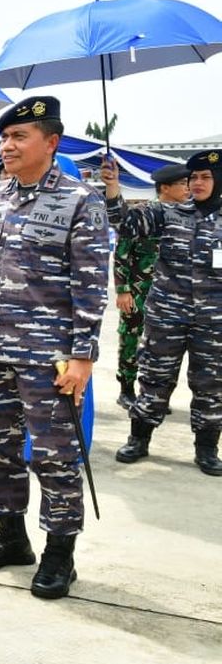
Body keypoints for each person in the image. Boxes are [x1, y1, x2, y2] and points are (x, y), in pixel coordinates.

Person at [0, 96, 110, 600]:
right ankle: (11, 538)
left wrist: (82, 356)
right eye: (5, 137)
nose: (7, 145)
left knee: (56, 457)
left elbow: (91, 286)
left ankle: (60, 554)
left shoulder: (80, 201)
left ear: (51, 142)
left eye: (19, 136)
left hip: (50, 359)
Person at [103, 150, 222, 476]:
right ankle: (138, 440)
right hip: (166, 317)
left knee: (211, 386)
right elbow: (124, 223)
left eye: (206, 177)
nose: (197, 183)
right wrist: (112, 188)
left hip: (213, 323)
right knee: (154, 379)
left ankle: (206, 449)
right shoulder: (166, 213)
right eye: (193, 178)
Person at [111, 164, 191, 409]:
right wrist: (123, 290)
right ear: (165, 188)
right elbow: (122, 251)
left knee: (163, 346)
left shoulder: (190, 215)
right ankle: (126, 389)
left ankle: (155, 394)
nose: (188, 188)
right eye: (182, 184)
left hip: (172, 294)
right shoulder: (143, 214)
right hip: (139, 290)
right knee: (131, 337)